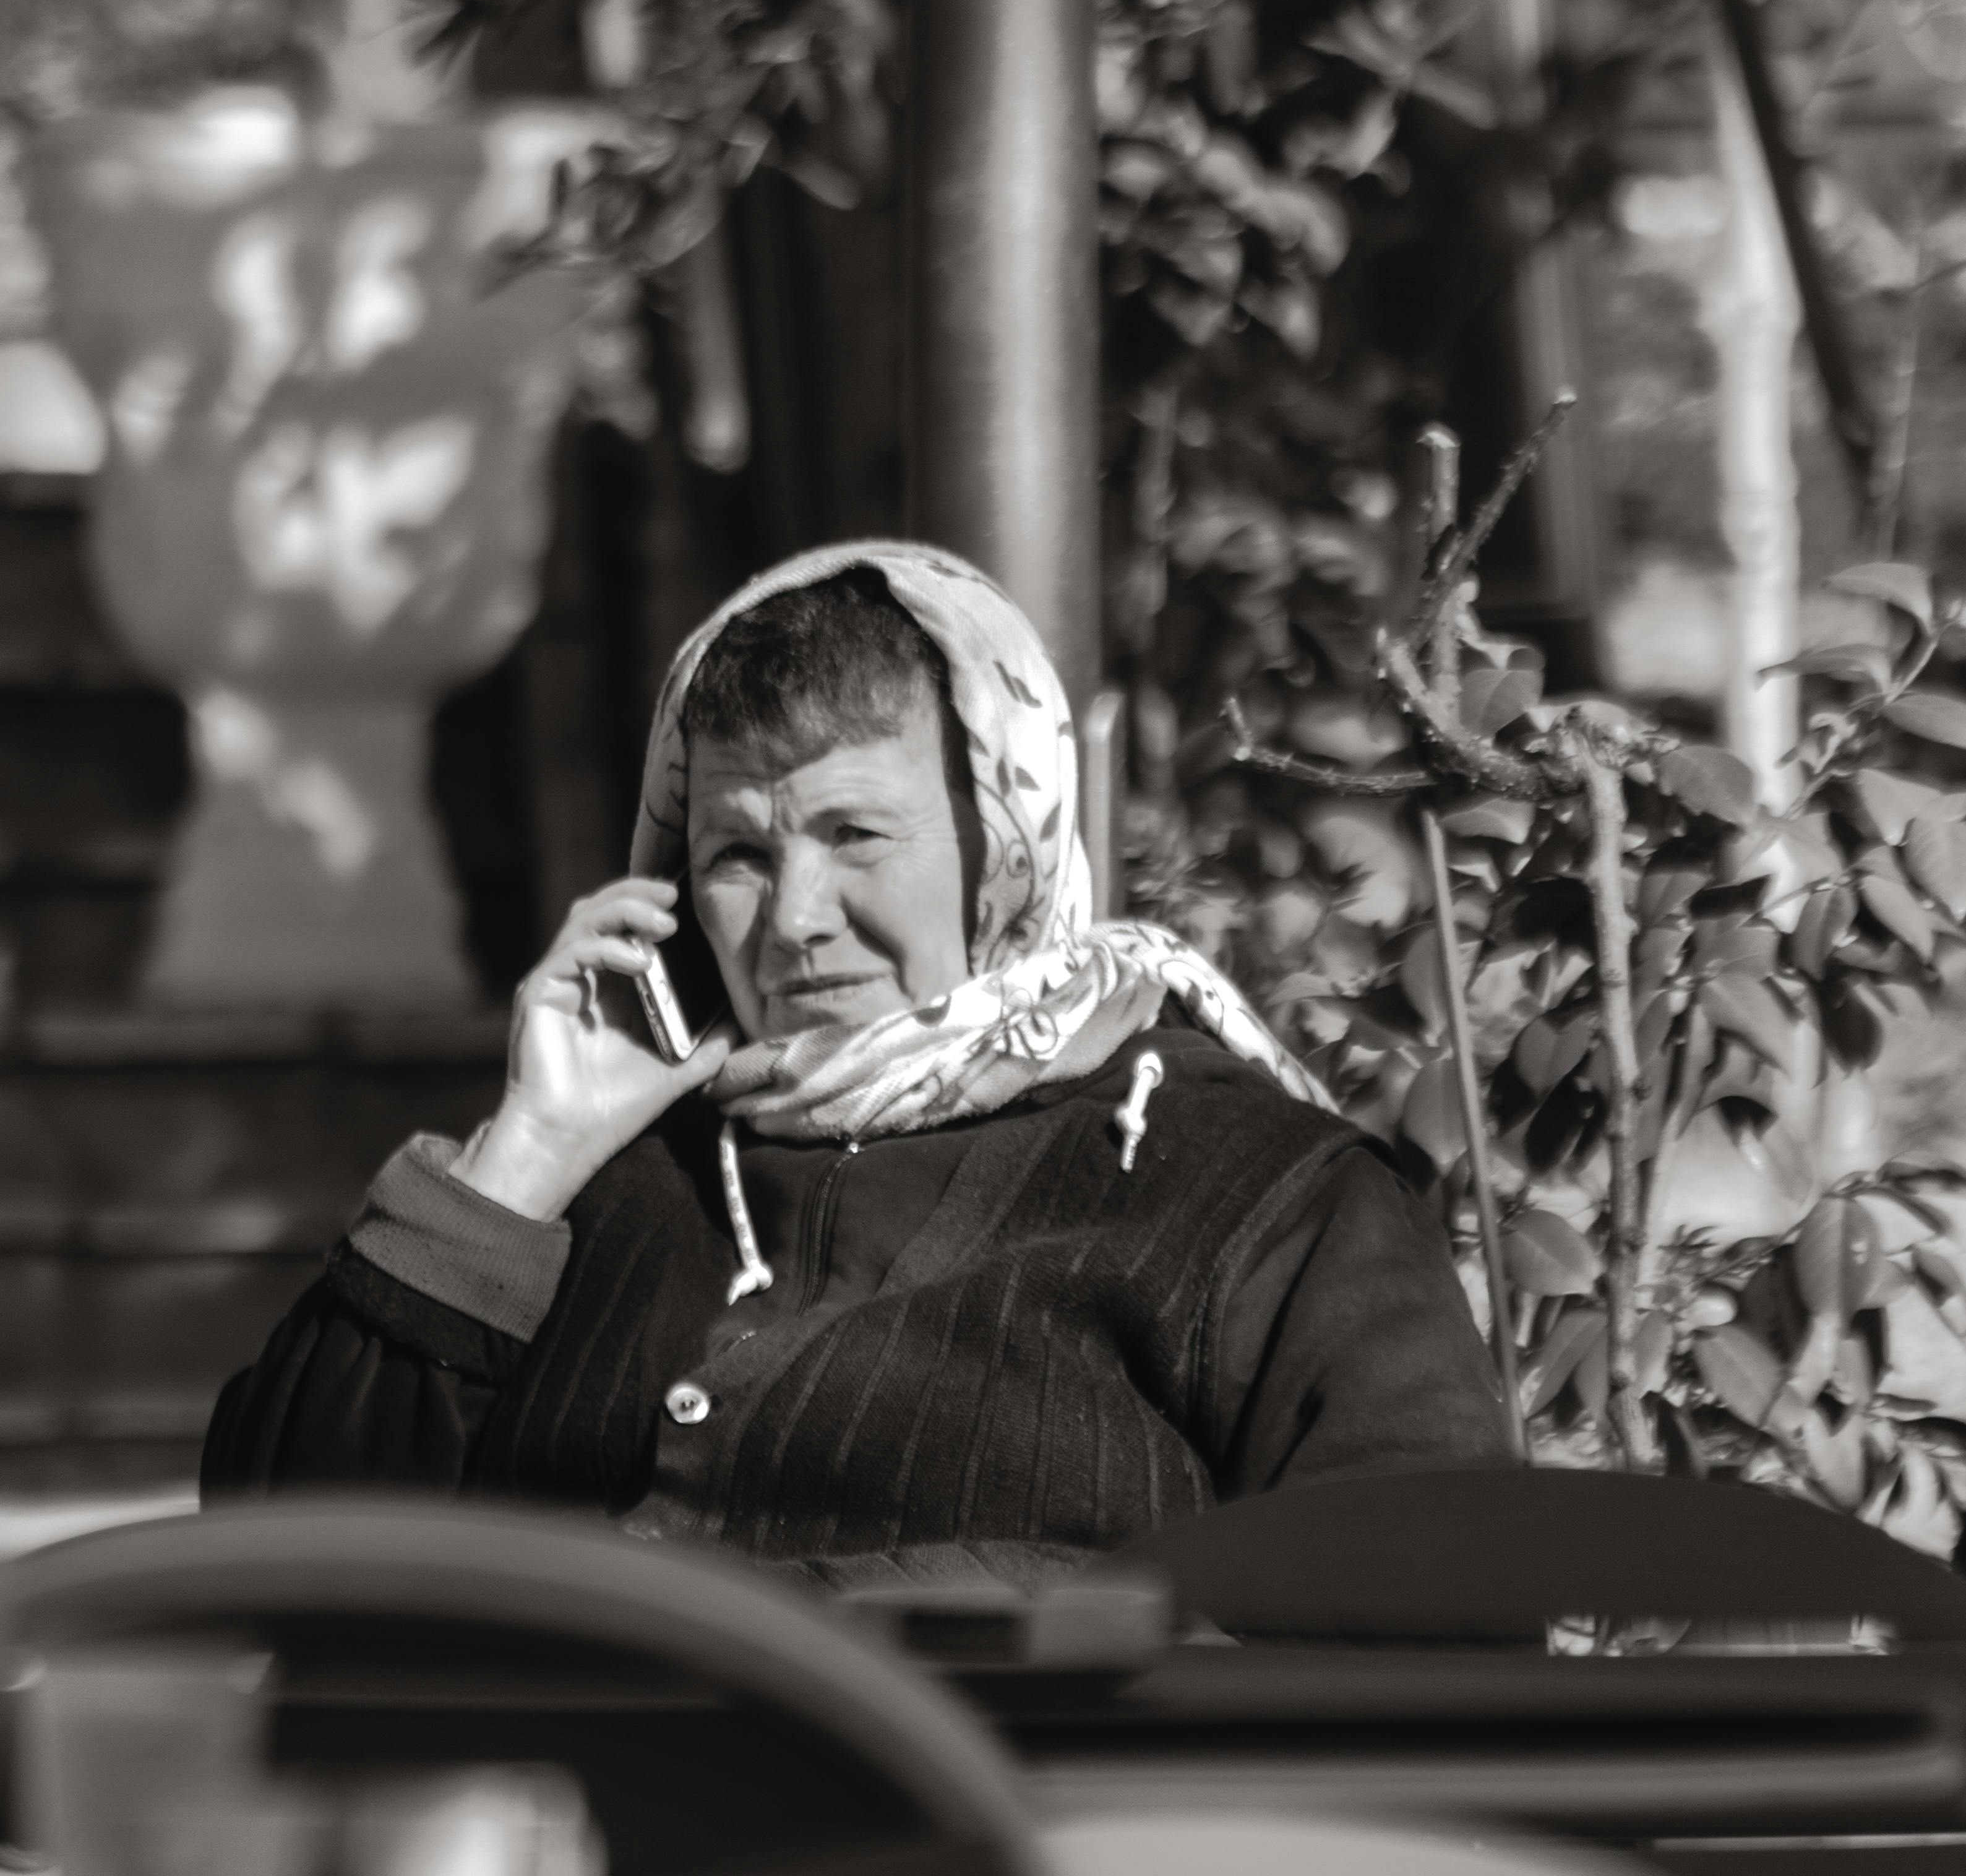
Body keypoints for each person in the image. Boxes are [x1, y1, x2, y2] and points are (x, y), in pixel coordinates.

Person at [203, 541, 1508, 1585]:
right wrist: (524, 1156)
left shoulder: (1249, 1194)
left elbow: (1418, 1634)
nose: (794, 918)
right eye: (737, 853)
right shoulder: (600, 1182)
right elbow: (278, 1557)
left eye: (855, 833)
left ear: (1004, 843)